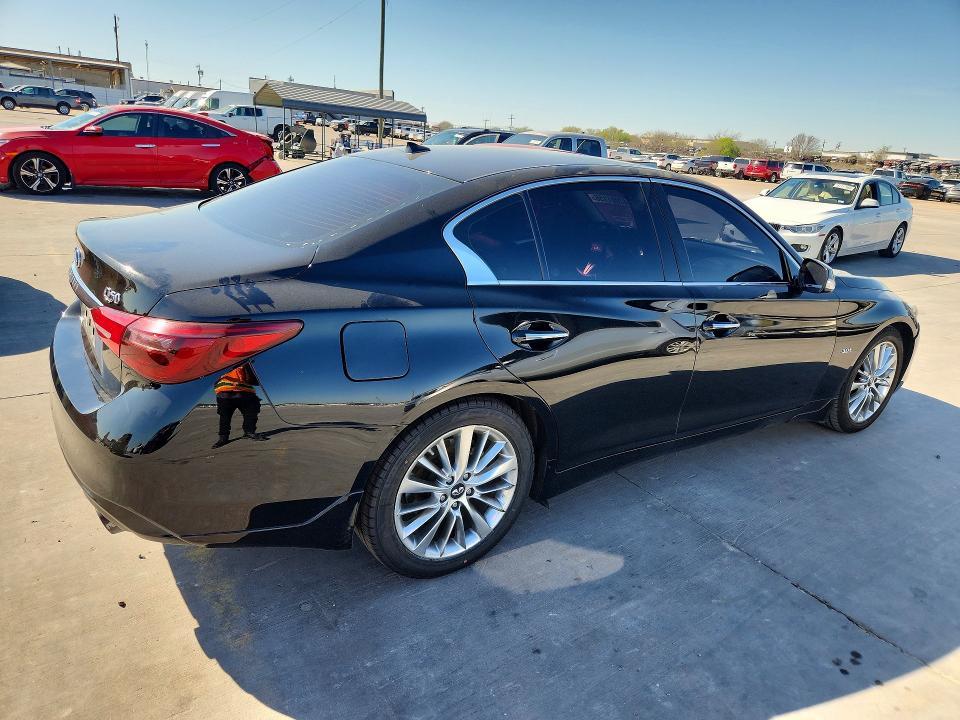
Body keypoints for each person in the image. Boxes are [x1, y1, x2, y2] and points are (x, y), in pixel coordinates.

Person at [212, 364, 266, 448]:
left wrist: (247, 366)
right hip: (225, 394)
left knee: (251, 415)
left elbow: (255, 381)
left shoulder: (245, 364)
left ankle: (249, 432)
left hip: (247, 394)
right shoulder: (220, 364)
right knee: (224, 417)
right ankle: (223, 437)